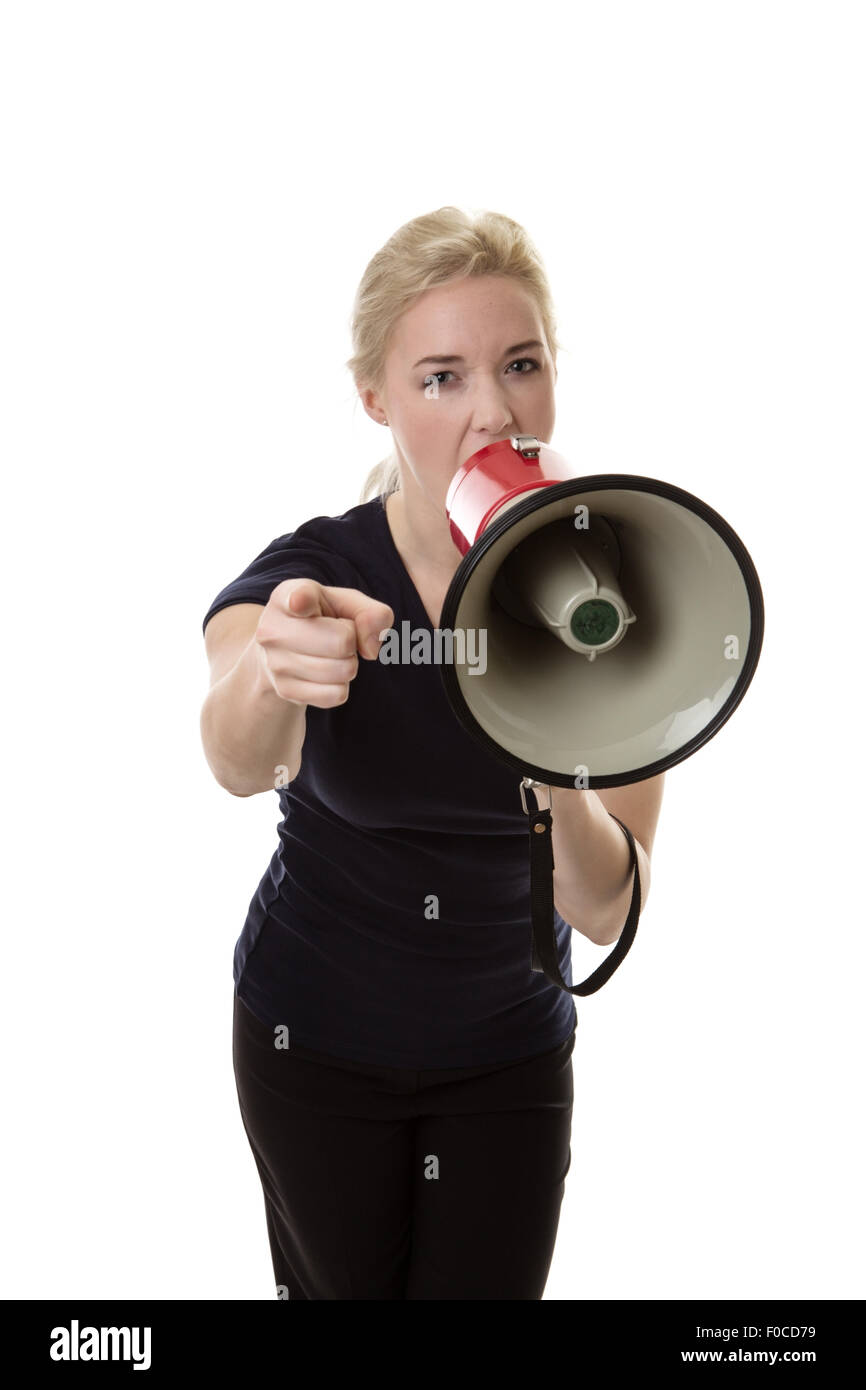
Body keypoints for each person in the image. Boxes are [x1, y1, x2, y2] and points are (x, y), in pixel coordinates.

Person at [200, 206, 665, 1300]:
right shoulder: (311, 573)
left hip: (507, 1057)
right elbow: (229, 755)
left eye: (519, 366)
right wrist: (276, 669)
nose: (495, 411)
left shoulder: (625, 598)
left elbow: (606, 908)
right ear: (377, 399)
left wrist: (559, 737)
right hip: (310, 1042)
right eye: (440, 378)